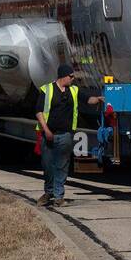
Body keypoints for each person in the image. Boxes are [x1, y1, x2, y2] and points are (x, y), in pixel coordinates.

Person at [35, 63, 102, 209]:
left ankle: (59, 197)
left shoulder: (74, 90)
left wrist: (98, 99)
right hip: (48, 134)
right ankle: (48, 192)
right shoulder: (47, 90)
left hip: (65, 135)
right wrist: (46, 130)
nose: (73, 79)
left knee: (62, 166)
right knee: (47, 166)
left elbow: (88, 99)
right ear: (64, 76)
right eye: (71, 77)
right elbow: (39, 112)